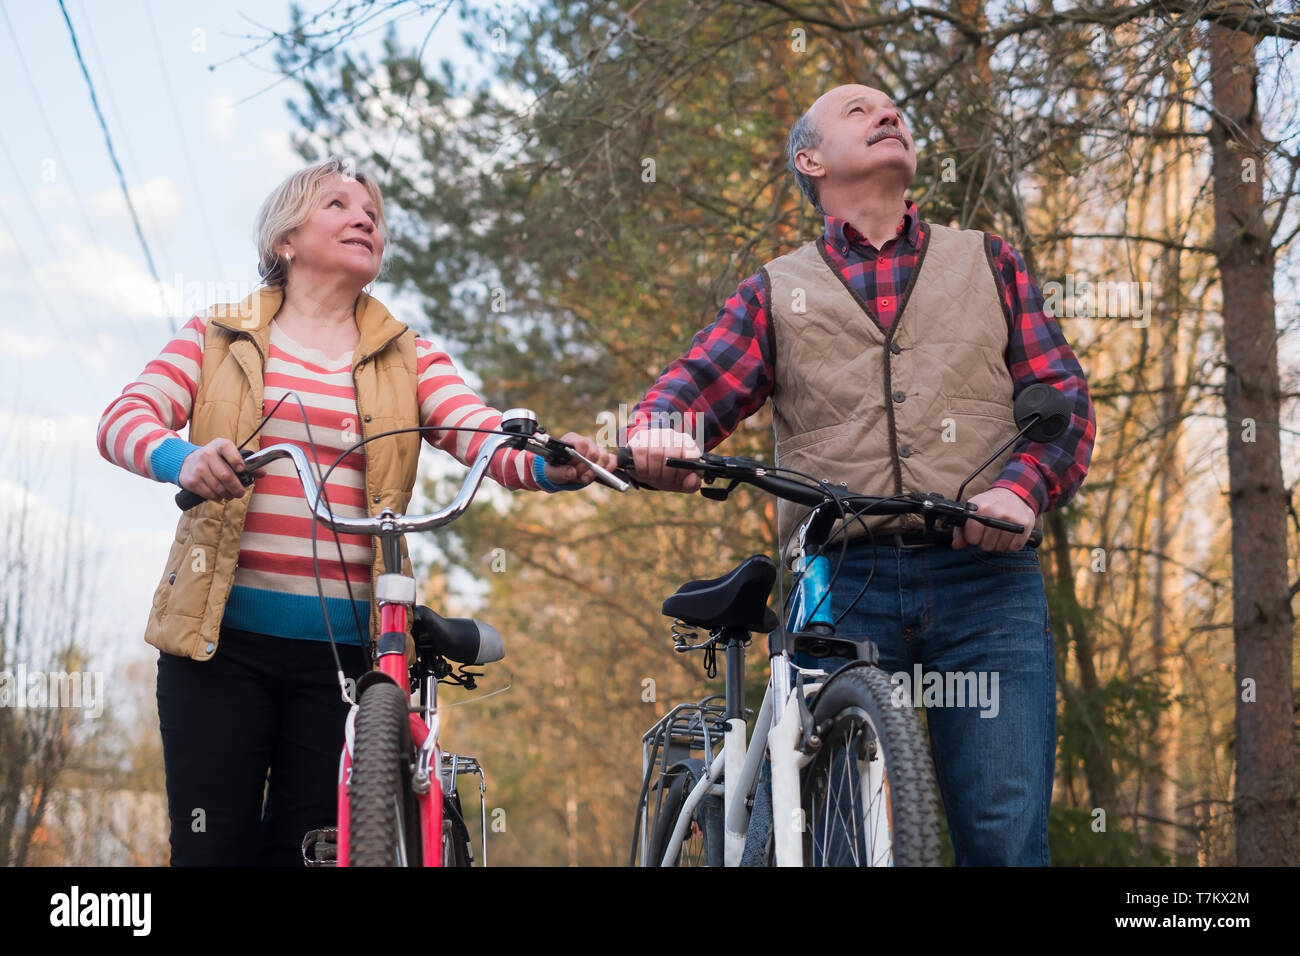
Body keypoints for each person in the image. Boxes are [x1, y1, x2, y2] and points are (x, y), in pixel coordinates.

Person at [623, 85, 1096, 865]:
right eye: (857, 111)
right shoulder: (777, 288)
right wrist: (657, 434)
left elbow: (1065, 402)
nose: (888, 115)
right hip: (843, 585)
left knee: (1005, 842)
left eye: (893, 110)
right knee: (838, 844)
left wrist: (1021, 485)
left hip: (987, 582)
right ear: (811, 160)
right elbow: (696, 384)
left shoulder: (987, 260)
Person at [96, 157, 610, 866]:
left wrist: (544, 464)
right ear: (284, 240)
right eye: (337, 204)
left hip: (341, 661)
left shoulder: (408, 355)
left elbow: (477, 429)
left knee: (311, 853)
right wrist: (179, 458)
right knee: (213, 850)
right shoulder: (218, 335)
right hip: (218, 650)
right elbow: (124, 417)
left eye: (371, 211)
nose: (363, 216)